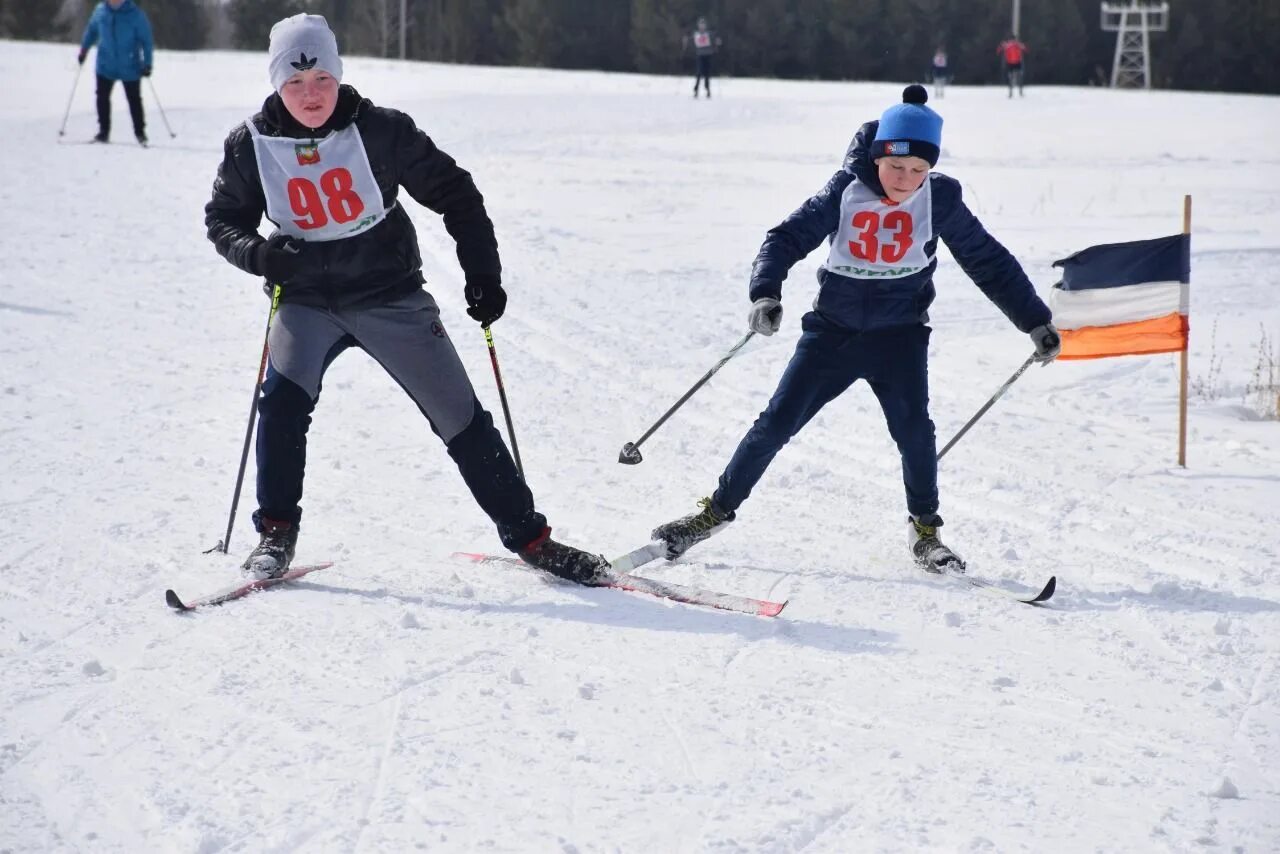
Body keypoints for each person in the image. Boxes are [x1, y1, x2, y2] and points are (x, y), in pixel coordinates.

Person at [204, 14, 612, 585]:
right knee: (280, 406)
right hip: (305, 303)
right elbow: (224, 220)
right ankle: (275, 535)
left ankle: (532, 538)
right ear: (277, 85)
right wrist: (260, 256)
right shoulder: (251, 145)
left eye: (320, 78)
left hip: (389, 296)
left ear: (338, 75)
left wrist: (483, 274)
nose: (310, 95)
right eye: (295, 84)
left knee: (460, 418)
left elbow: (457, 194)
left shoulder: (382, 131)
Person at [649, 85, 1060, 573]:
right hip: (832, 335)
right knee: (775, 425)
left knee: (915, 433)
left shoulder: (941, 199)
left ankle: (926, 531)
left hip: (899, 337)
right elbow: (785, 238)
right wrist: (766, 292)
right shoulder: (844, 190)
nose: (905, 180)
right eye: (895, 167)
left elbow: (988, 261)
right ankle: (713, 513)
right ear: (878, 155)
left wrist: (1034, 320)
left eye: (917, 170)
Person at [78, 0, 154, 145]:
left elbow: (146, 41)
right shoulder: (100, 11)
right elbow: (92, 31)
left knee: (134, 99)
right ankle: (103, 132)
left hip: (130, 65)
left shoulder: (135, 15)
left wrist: (147, 63)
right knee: (102, 97)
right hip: (106, 63)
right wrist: (84, 50)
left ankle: (140, 133)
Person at [684, 17, 722, 99]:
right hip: (700, 55)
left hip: (708, 55)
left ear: (705, 26)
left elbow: (716, 40)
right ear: (698, 26)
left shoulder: (709, 34)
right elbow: (689, 40)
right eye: (701, 25)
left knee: (707, 73)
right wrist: (686, 41)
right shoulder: (696, 34)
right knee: (699, 72)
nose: (702, 27)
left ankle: (707, 89)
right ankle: (696, 89)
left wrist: (717, 42)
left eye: (703, 25)